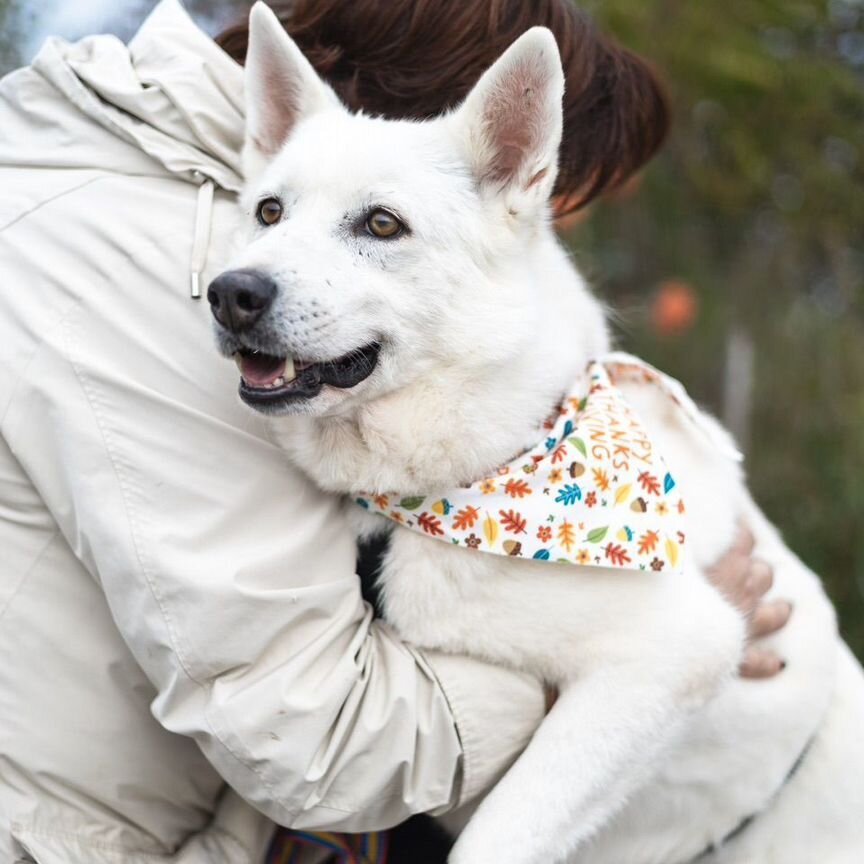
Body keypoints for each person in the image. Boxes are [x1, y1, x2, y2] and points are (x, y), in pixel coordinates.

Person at [0, 1, 791, 862]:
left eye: (376, 226)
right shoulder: (148, 259)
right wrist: (595, 685)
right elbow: (314, 742)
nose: (541, 234)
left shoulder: (129, 190)